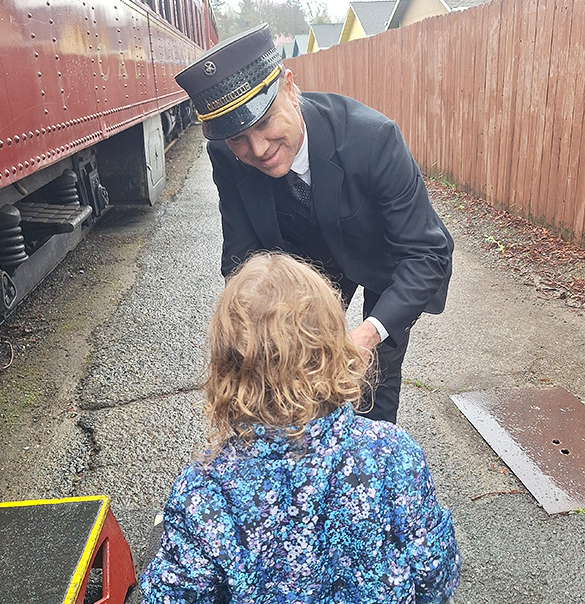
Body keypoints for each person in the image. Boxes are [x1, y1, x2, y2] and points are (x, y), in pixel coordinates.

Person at [140, 253, 460, 604]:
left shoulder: (207, 490)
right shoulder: (393, 454)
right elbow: (434, 563)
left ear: (227, 368)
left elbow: (178, 600)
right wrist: (421, 603)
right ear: (335, 348)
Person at [175, 24, 454, 424]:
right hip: (303, 258)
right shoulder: (225, 154)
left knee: (374, 375)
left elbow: (426, 253)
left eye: (264, 123)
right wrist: (255, 332)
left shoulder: (373, 139)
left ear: (289, 87)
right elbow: (241, 256)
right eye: (238, 138)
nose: (258, 149)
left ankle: (372, 458)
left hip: (383, 257)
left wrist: (367, 334)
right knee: (296, 368)